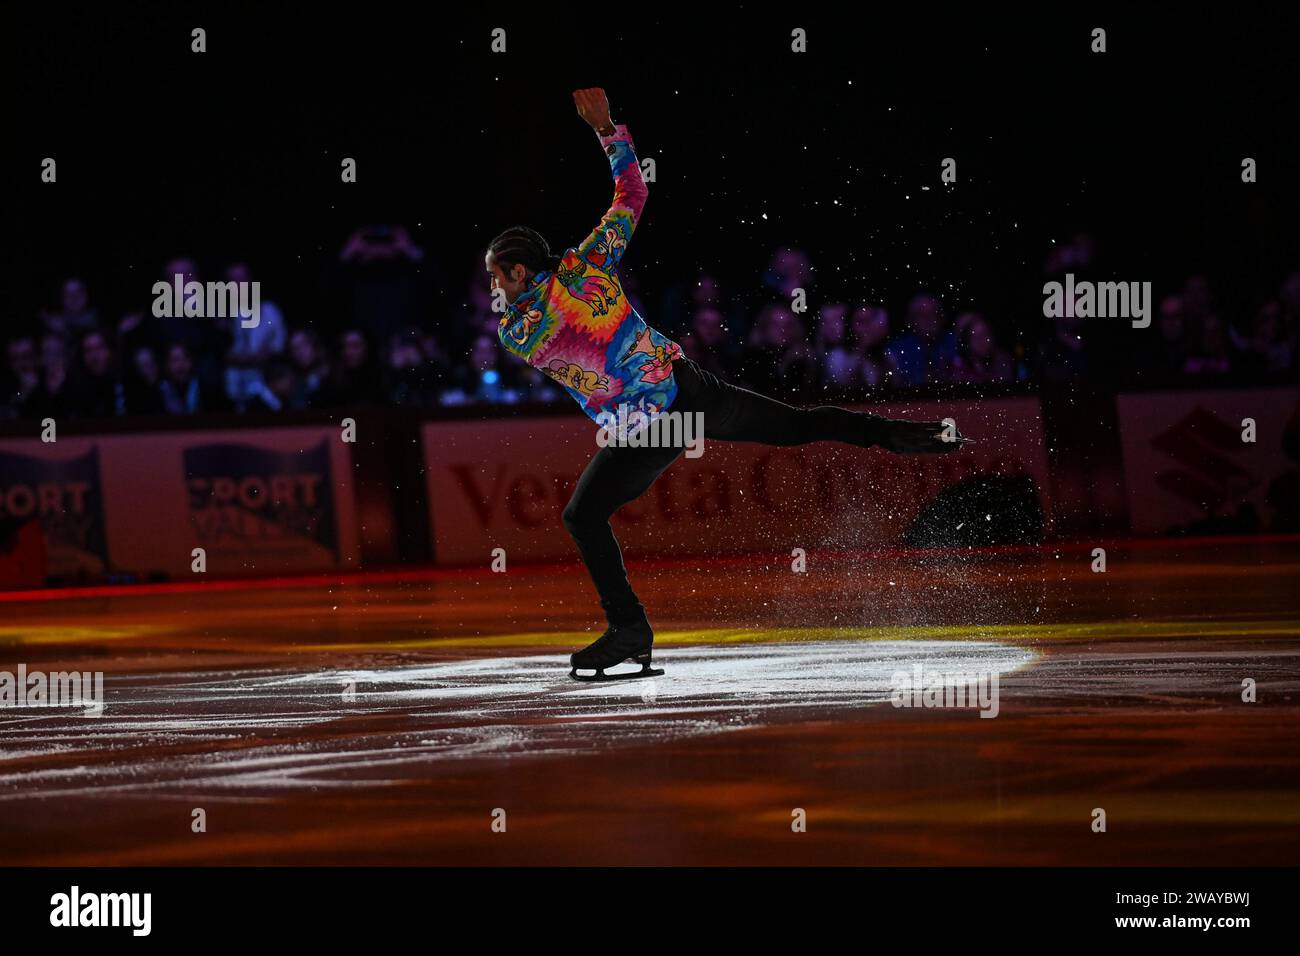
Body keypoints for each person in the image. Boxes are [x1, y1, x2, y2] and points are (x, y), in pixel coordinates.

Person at [488, 88, 968, 681]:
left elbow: (527, 326)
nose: (494, 291)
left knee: (584, 518)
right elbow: (633, 194)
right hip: (689, 389)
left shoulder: (521, 328)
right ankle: (896, 436)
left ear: (517, 272)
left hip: (653, 426)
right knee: (797, 424)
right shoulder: (587, 265)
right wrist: (606, 129)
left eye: (496, 278)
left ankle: (630, 628)